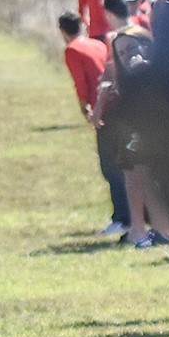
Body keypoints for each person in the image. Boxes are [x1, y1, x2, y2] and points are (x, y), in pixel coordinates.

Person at [95, 0, 169, 247]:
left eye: (130, 49)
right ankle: (152, 231)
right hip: (136, 129)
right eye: (121, 53)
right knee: (137, 178)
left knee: (144, 179)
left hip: (149, 131)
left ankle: (157, 231)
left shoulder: (148, 67)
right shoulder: (128, 74)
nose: (127, 55)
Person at [58, 12, 124, 236]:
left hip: (102, 109)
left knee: (110, 167)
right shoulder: (96, 44)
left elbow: (81, 83)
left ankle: (121, 217)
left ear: (62, 31)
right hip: (118, 105)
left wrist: (84, 109)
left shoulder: (72, 50)